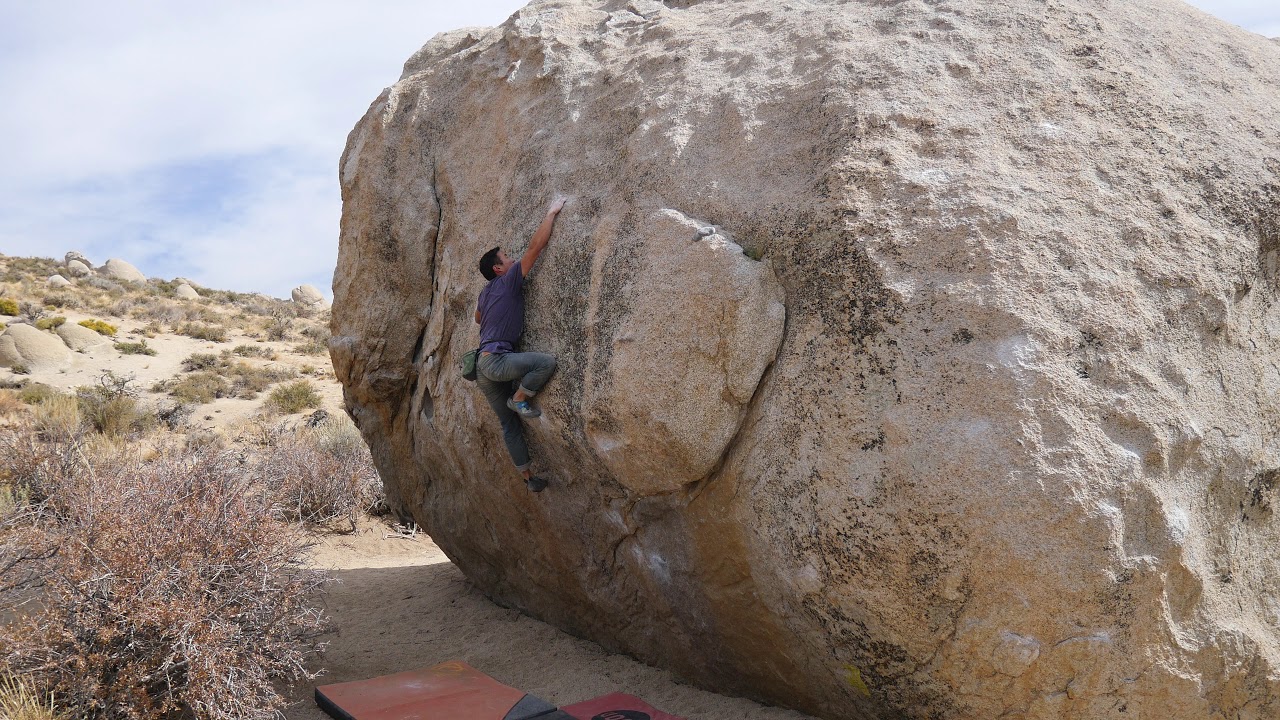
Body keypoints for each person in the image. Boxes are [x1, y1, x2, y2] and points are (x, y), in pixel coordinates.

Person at [474, 197, 567, 492]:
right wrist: (551, 213)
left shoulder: (486, 293)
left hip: (481, 367)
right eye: (506, 257)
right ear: (500, 269)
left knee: (509, 425)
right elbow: (535, 249)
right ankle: (519, 398)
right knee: (545, 363)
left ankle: (529, 479)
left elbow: (478, 319)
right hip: (498, 362)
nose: (512, 259)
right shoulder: (509, 280)